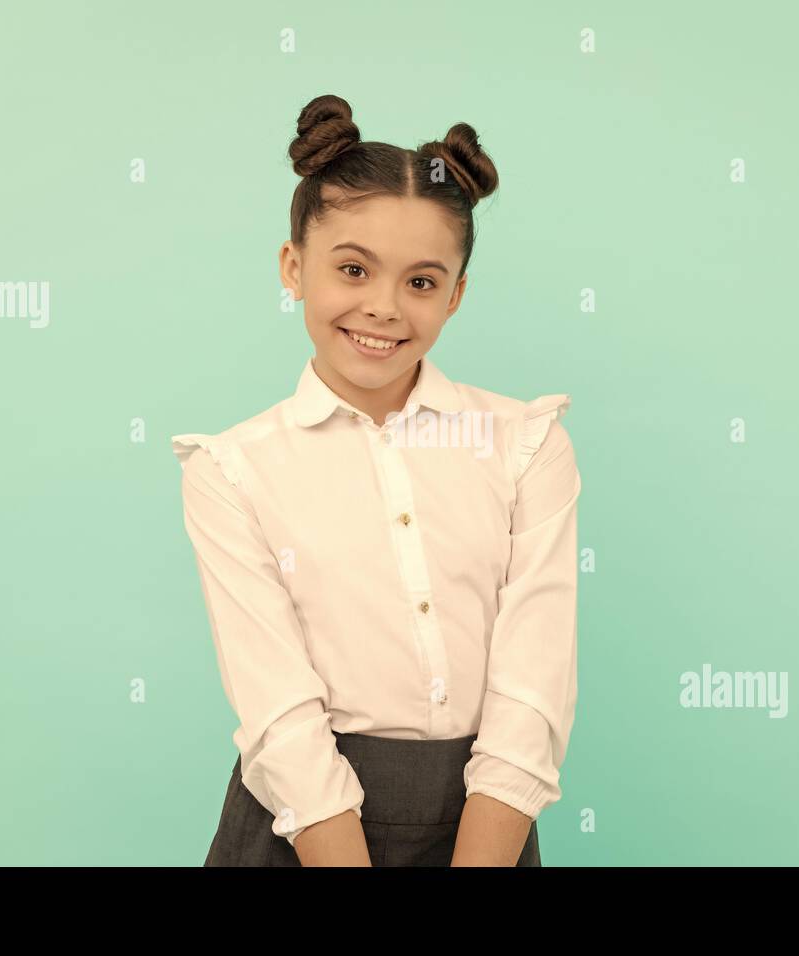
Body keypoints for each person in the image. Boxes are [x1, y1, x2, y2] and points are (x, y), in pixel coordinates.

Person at [171, 93, 580, 866]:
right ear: (294, 267)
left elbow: (534, 689)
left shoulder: (526, 445)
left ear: (456, 294)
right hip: (304, 827)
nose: (384, 307)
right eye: (353, 268)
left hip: (484, 829)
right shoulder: (233, 469)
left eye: (422, 282)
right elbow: (278, 712)